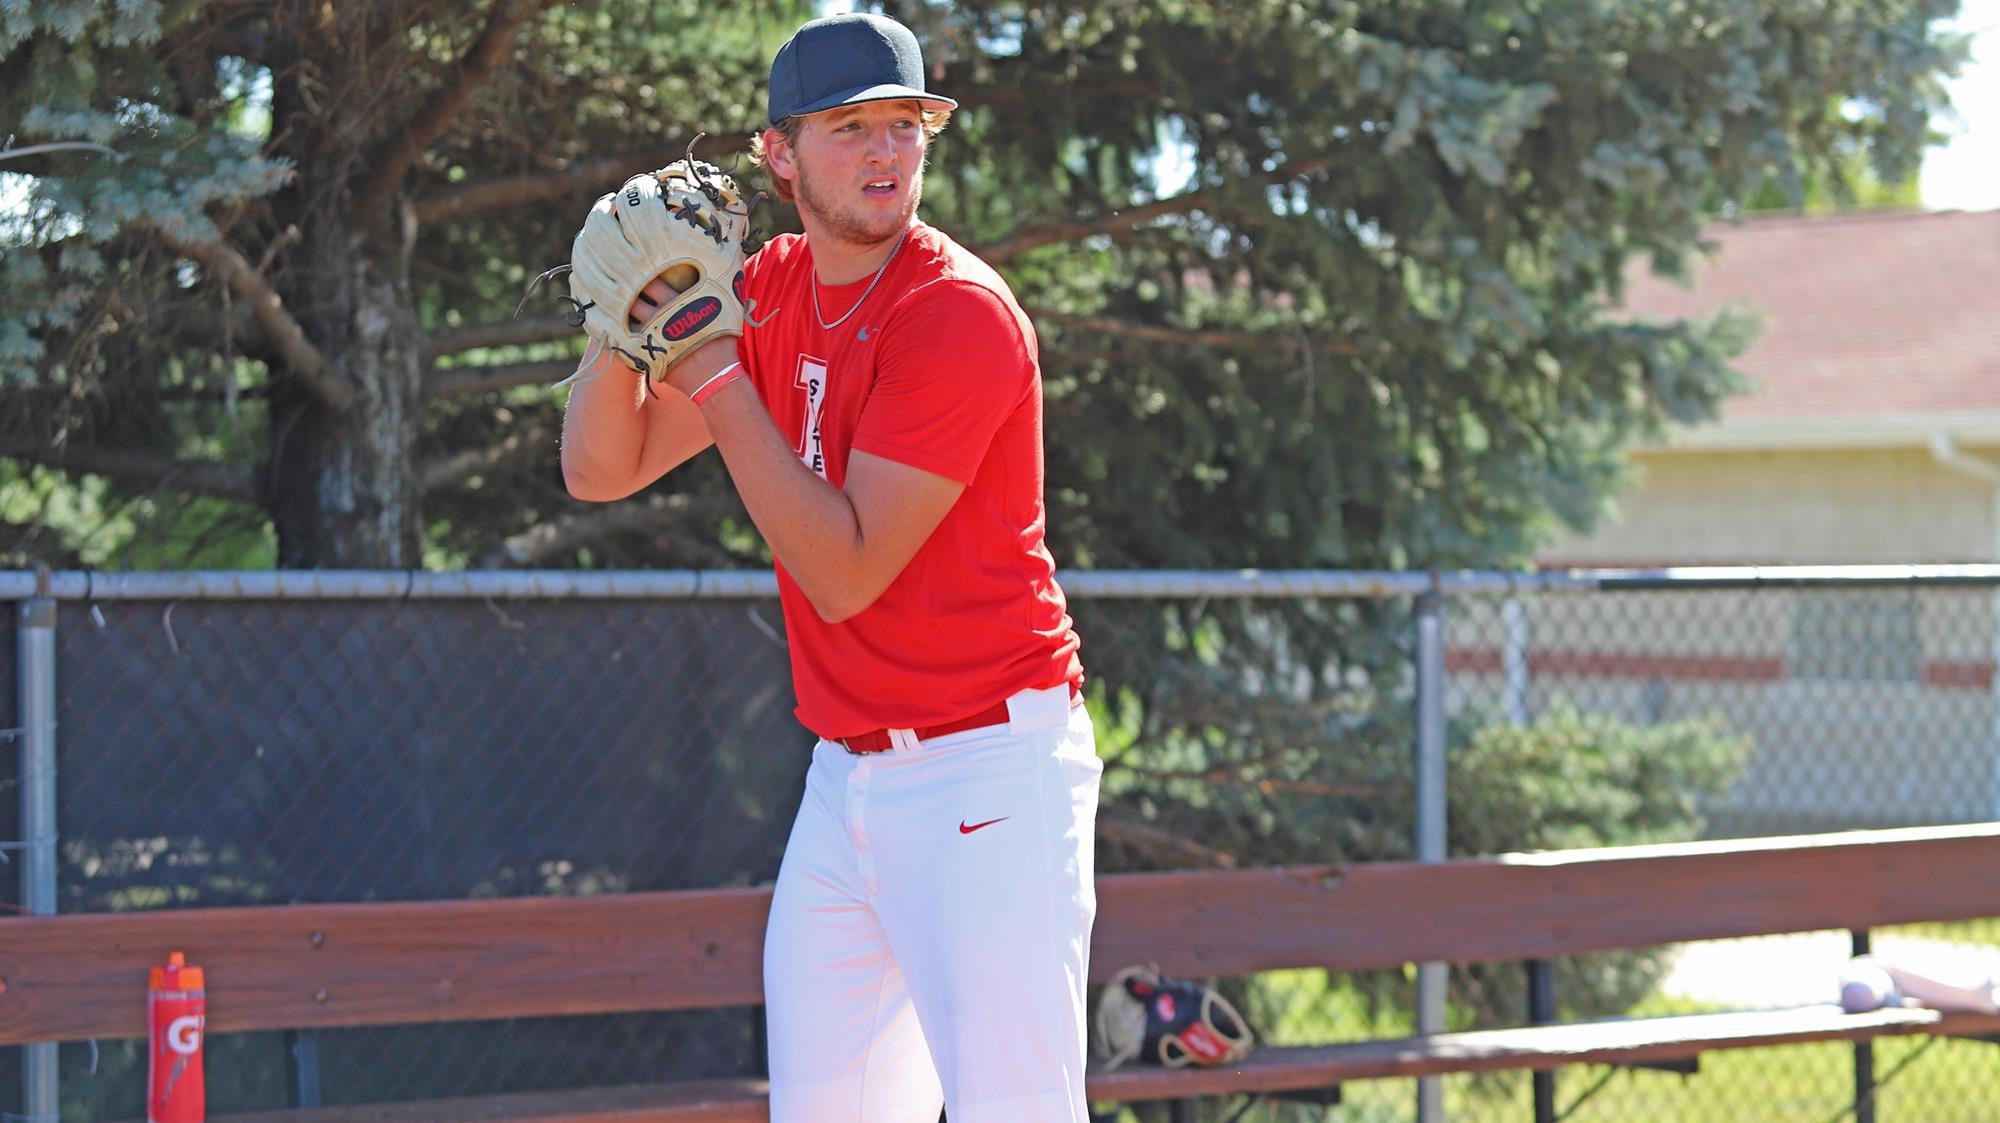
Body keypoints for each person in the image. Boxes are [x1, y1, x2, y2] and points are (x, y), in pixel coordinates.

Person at [558, 12, 1099, 1123]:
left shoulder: (955, 313)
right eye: (849, 128)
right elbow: (600, 471)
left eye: (905, 125)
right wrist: (623, 319)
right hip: (846, 775)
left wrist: (711, 366)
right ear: (779, 153)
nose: (886, 152)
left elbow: (845, 571)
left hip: (988, 772)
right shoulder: (771, 283)